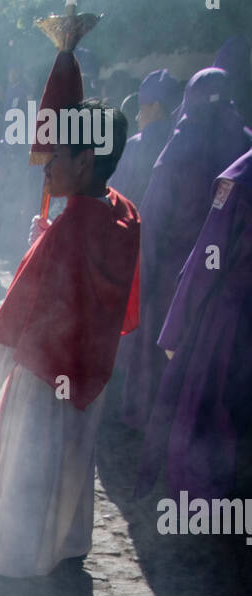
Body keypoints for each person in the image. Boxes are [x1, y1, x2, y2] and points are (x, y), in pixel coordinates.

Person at [0, 102, 140, 578]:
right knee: (73, 459)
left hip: (44, 373)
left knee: (30, 464)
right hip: (91, 370)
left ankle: (16, 559)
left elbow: (17, 315)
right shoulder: (125, 212)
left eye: (56, 155)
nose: (45, 164)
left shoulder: (66, 231)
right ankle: (68, 543)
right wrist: (49, 237)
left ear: (84, 161)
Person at [121, 68, 251, 432]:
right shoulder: (244, 146)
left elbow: (155, 220)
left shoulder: (180, 148)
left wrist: (138, 284)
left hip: (173, 279)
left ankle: (149, 424)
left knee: (158, 351)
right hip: (229, 289)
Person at [136, 147, 252, 502]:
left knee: (207, 408)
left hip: (229, 320)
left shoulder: (240, 180)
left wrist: (177, 325)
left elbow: (209, 257)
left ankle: (202, 498)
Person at [109, 69, 181, 211]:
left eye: (141, 109)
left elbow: (113, 195)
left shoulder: (134, 147)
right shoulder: (183, 144)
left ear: (156, 107)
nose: (137, 117)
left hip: (133, 227)